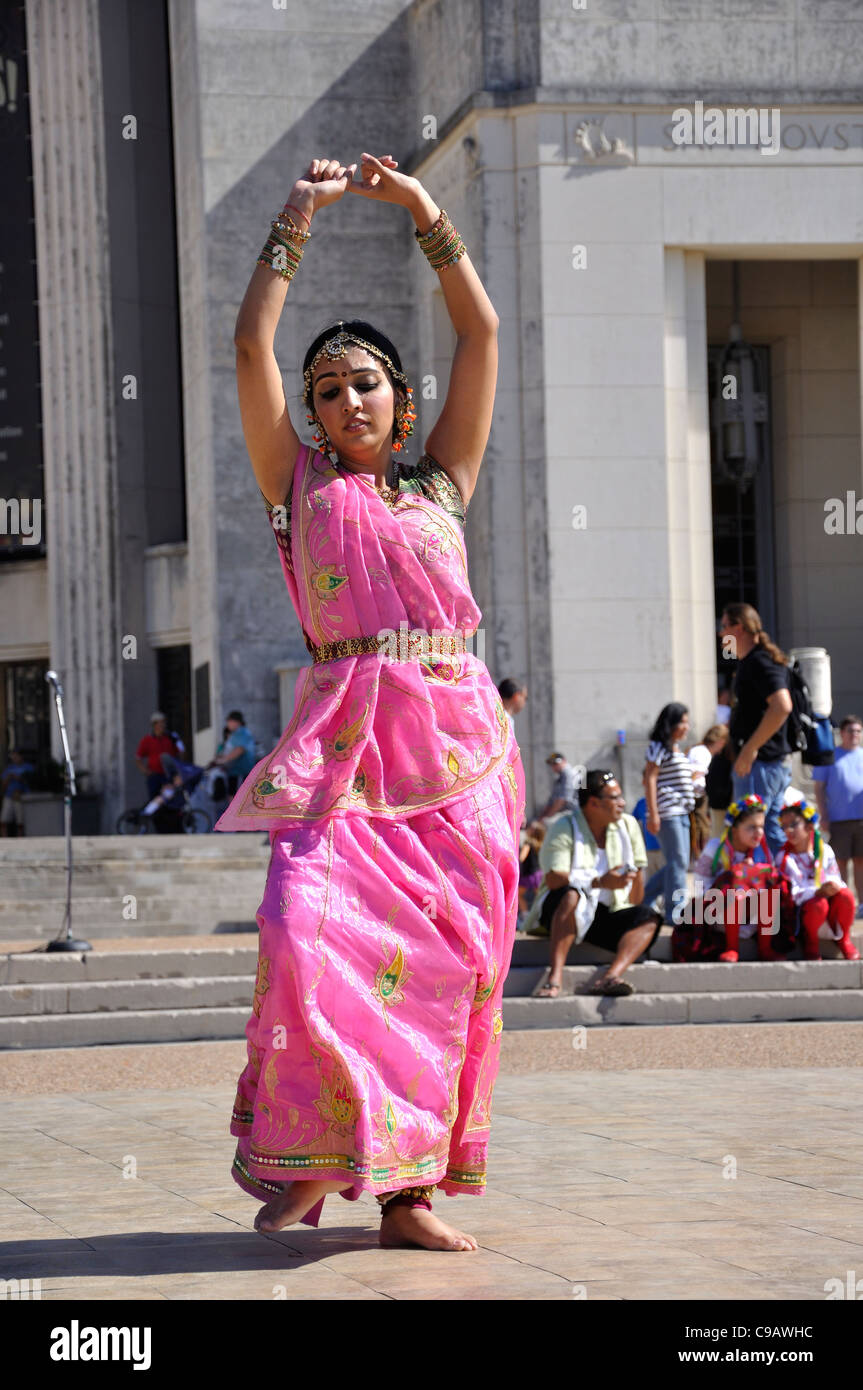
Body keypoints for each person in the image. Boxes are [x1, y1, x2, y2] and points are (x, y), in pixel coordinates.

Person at [217, 153, 525, 1253]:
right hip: (346, 759)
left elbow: (482, 337)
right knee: (302, 930)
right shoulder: (298, 486)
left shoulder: (441, 482)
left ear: (402, 403)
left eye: (366, 383)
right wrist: (295, 217)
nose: (348, 399)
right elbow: (250, 345)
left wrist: (425, 213)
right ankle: (312, 1156)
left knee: (448, 978)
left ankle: (405, 1196)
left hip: (462, 766)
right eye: (328, 389)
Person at [522, 769, 661, 998]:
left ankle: (610, 977)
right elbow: (554, 878)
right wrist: (599, 882)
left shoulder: (628, 826)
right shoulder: (563, 826)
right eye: (615, 797)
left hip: (605, 914)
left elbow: (635, 899)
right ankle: (555, 977)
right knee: (572, 895)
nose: (622, 803)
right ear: (594, 803)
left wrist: (632, 876)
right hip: (561, 909)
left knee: (649, 917)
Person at [720, 602, 793, 854]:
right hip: (766, 764)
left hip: (759, 764)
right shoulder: (752, 661)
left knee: (752, 831)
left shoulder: (759, 662)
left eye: (724, 626)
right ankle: (785, 884)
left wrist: (750, 748)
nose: (721, 634)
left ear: (738, 628)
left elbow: (782, 706)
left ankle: (765, 888)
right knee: (768, 830)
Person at [692, 795, 784, 963]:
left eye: (761, 827)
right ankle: (731, 947)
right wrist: (736, 876)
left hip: (753, 913)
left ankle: (765, 948)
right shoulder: (716, 849)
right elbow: (700, 886)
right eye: (751, 827)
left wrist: (754, 874)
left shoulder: (763, 852)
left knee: (770, 888)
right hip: (719, 910)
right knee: (735, 883)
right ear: (734, 829)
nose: (759, 833)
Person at [776, 800, 859, 961]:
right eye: (784, 826)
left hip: (827, 904)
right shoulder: (784, 858)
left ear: (808, 826)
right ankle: (811, 942)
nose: (788, 830)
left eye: (793, 824)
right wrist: (818, 892)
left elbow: (834, 877)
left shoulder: (824, 850)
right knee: (818, 903)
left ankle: (843, 939)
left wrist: (832, 886)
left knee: (846, 896)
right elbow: (791, 892)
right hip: (804, 912)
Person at [642, 703, 696, 921]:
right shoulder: (658, 747)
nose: (686, 727)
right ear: (671, 723)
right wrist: (653, 813)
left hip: (682, 812)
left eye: (687, 722)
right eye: (682, 721)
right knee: (678, 861)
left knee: (679, 862)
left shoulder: (676, 749)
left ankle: (645, 898)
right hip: (668, 812)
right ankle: (674, 911)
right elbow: (650, 779)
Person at [812, 714, 863, 919]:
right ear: (842, 733)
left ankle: (861, 903)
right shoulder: (830, 756)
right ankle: (842, 902)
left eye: (858, 731)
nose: (854, 735)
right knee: (839, 862)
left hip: (861, 819)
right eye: (851, 731)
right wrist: (823, 814)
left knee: (860, 861)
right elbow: (819, 788)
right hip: (838, 819)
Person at [689, 725, 728, 852]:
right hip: (698, 795)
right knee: (701, 827)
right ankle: (702, 854)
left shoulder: (698, 750)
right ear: (720, 741)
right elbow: (696, 774)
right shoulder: (702, 752)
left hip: (697, 794)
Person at [135, 713, 182, 800]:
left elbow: (180, 753)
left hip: (169, 777)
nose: (162, 725)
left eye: (163, 722)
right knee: (155, 800)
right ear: (154, 725)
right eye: (159, 723)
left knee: (170, 800)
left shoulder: (170, 738)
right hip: (154, 777)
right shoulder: (147, 740)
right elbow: (138, 758)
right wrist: (145, 771)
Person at [212, 710, 257, 794]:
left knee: (238, 798)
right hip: (234, 772)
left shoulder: (241, 732)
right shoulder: (236, 733)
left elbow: (240, 749)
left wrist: (224, 760)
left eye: (229, 721)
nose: (228, 723)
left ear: (236, 722)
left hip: (241, 772)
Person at [0, 749, 34, 837]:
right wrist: (9, 777)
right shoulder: (9, 768)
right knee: (3, 820)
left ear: (21, 756)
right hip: (9, 796)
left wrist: (18, 778)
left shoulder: (28, 767)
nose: (14, 758)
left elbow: (31, 781)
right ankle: (5, 839)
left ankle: (20, 839)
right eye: (13, 756)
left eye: (16, 756)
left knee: (20, 821)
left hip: (21, 797)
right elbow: (3, 783)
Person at [539, 752, 579, 820]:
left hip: (573, 813)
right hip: (566, 813)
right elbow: (552, 801)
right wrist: (542, 816)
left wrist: (546, 819)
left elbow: (562, 800)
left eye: (555, 763)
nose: (553, 766)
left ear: (564, 761)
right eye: (551, 764)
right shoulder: (561, 776)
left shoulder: (568, 773)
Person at [518, 818, 546, 915]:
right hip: (539, 874)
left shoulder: (528, 843)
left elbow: (521, 858)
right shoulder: (541, 844)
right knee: (540, 897)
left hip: (528, 875)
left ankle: (525, 916)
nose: (528, 829)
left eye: (530, 828)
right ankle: (541, 916)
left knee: (518, 895)